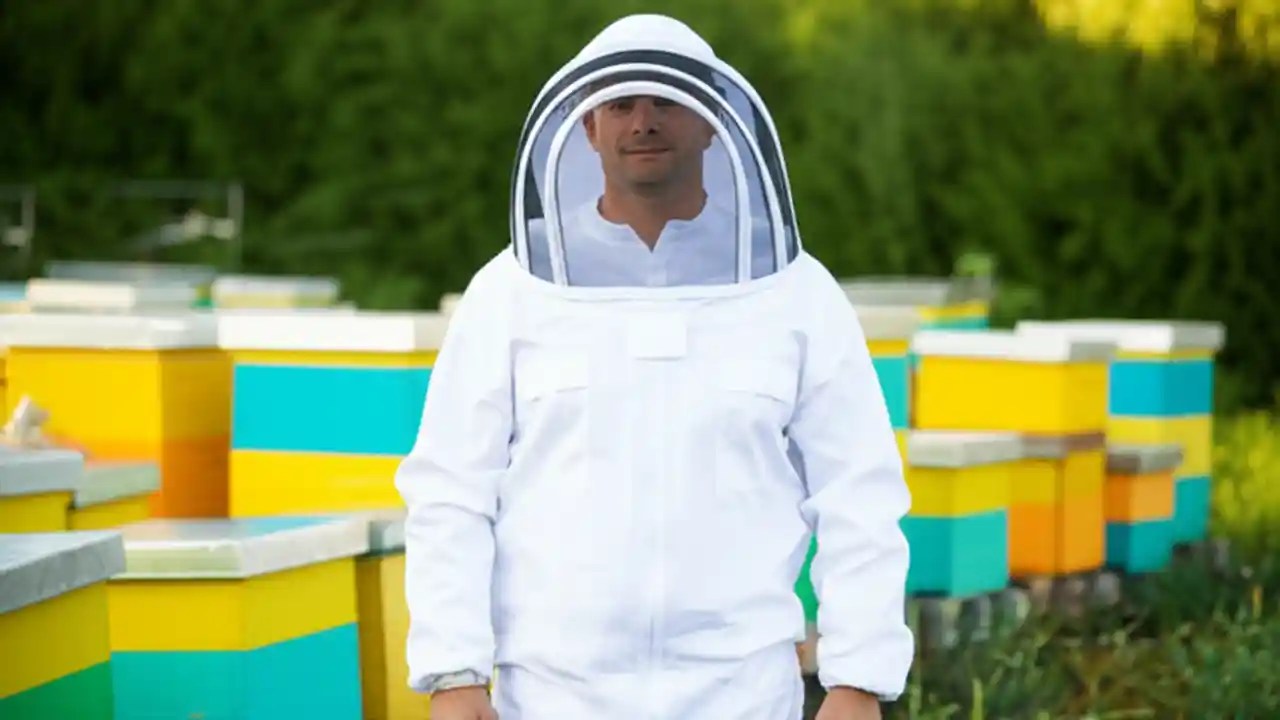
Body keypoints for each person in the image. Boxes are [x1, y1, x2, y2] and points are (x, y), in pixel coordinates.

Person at [395, 13, 914, 720]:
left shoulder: (795, 294)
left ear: (711, 123)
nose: (643, 122)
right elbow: (451, 492)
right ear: (586, 128)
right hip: (551, 695)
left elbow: (860, 494)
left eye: (665, 101)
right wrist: (452, 674)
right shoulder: (510, 292)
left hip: (742, 693)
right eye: (620, 104)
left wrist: (857, 680)